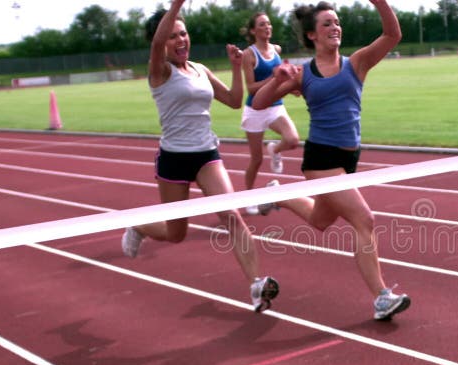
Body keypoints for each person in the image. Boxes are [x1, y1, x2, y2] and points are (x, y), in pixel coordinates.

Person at [252, 0, 410, 321]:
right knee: (364, 220)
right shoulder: (303, 74)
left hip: (349, 157)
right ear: (312, 35)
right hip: (321, 157)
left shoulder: (358, 63)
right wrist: (276, 78)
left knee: (321, 221)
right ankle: (381, 297)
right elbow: (258, 103)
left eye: (336, 22)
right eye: (326, 23)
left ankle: (278, 193)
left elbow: (392, 35)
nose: (334, 27)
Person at [121, 0, 279, 312]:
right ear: (162, 43)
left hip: (207, 154)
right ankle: (139, 227)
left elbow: (235, 101)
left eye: (184, 34)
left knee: (231, 215)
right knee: (175, 233)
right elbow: (155, 43)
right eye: (174, 36)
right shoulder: (159, 71)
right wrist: (177, 4)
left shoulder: (200, 70)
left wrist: (235, 67)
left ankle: (256, 285)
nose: (181, 40)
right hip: (173, 160)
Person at [240, 12, 300, 215]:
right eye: (262, 24)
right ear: (253, 30)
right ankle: (248, 198)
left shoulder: (277, 50)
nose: (267, 27)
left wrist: (293, 88)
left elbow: (282, 80)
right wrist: (274, 77)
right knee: (255, 160)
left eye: (269, 24)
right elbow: (251, 88)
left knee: (292, 139)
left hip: (275, 106)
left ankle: (275, 149)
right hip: (255, 110)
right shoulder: (249, 54)